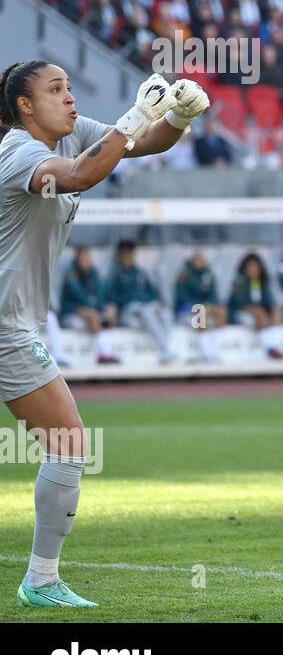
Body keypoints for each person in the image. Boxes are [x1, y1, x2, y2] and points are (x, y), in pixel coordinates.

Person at [0, 60, 205, 608]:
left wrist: (180, 118)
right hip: (6, 328)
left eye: (70, 87)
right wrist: (136, 114)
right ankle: (41, 581)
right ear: (25, 105)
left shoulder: (73, 134)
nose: (70, 98)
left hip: (16, 323)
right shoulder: (20, 152)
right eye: (56, 90)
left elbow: (141, 145)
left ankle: (42, 580)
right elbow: (82, 176)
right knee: (68, 443)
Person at [105, 240, 176, 365]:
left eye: (130, 253)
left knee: (165, 312)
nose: (128, 257)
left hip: (145, 310)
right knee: (147, 313)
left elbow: (153, 293)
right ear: (120, 255)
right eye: (125, 253)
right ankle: (166, 350)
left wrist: (156, 305)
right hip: (128, 312)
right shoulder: (115, 274)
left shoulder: (140, 272)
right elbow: (110, 296)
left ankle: (167, 347)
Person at [59, 246, 119, 365]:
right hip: (70, 313)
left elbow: (101, 294)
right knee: (91, 314)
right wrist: (96, 307)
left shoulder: (93, 273)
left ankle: (110, 349)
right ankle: (105, 354)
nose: (86, 260)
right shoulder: (71, 274)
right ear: (77, 259)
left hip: (90, 312)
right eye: (83, 258)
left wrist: (105, 308)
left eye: (87, 257)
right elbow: (79, 296)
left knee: (110, 311)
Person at [228, 253, 283, 360]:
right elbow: (239, 302)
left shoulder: (261, 282)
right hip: (240, 313)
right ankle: (270, 348)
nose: (253, 270)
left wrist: (272, 309)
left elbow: (268, 300)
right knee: (260, 313)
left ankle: (275, 345)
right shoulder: (239, 281)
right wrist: (254, 309)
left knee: (275, 311)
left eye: (255, 267)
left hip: (259, 313)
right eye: (250, 266)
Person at [174, 252, 226, 364]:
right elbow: (182, 299)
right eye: (197, 260)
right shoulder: (184, 275)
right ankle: (206, 354)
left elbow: (213, 296)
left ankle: (215, 351)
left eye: (202, 260)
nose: (200, 263)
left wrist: (209, 305)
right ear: (192, 262)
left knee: (221, 312)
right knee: (201, 313)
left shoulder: (208, 274)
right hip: (186, 310)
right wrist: (202, 306)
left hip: (204, 307)